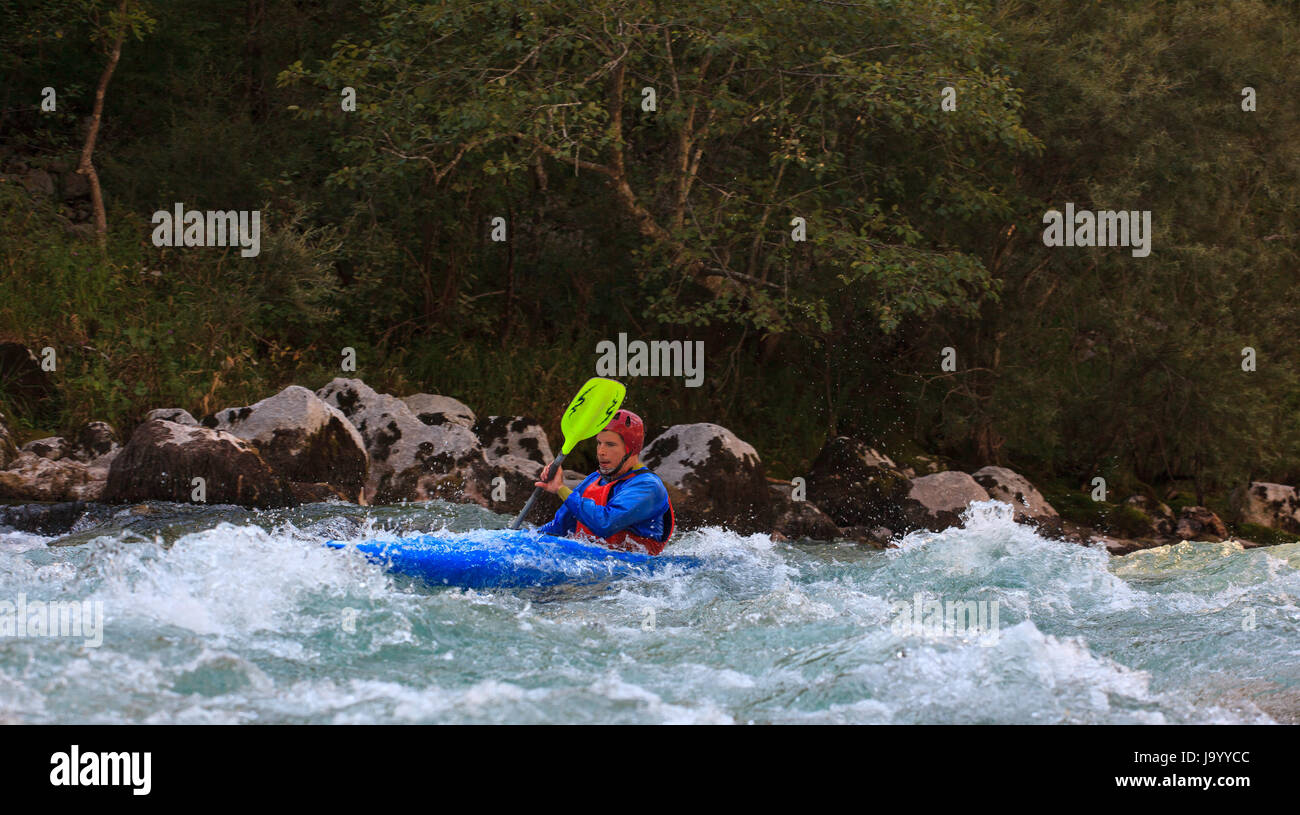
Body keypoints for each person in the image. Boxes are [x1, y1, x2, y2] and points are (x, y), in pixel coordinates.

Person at [534, 409, 675, 555]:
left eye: (610, 444)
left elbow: (605, 523)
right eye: (599, 443)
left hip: (634, 572)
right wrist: (527, 539)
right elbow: (559, 527)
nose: (601, 451)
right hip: (592, 563)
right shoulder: (594, 480)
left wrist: (561, 489)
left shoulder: (648, 486)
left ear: (631, 449)